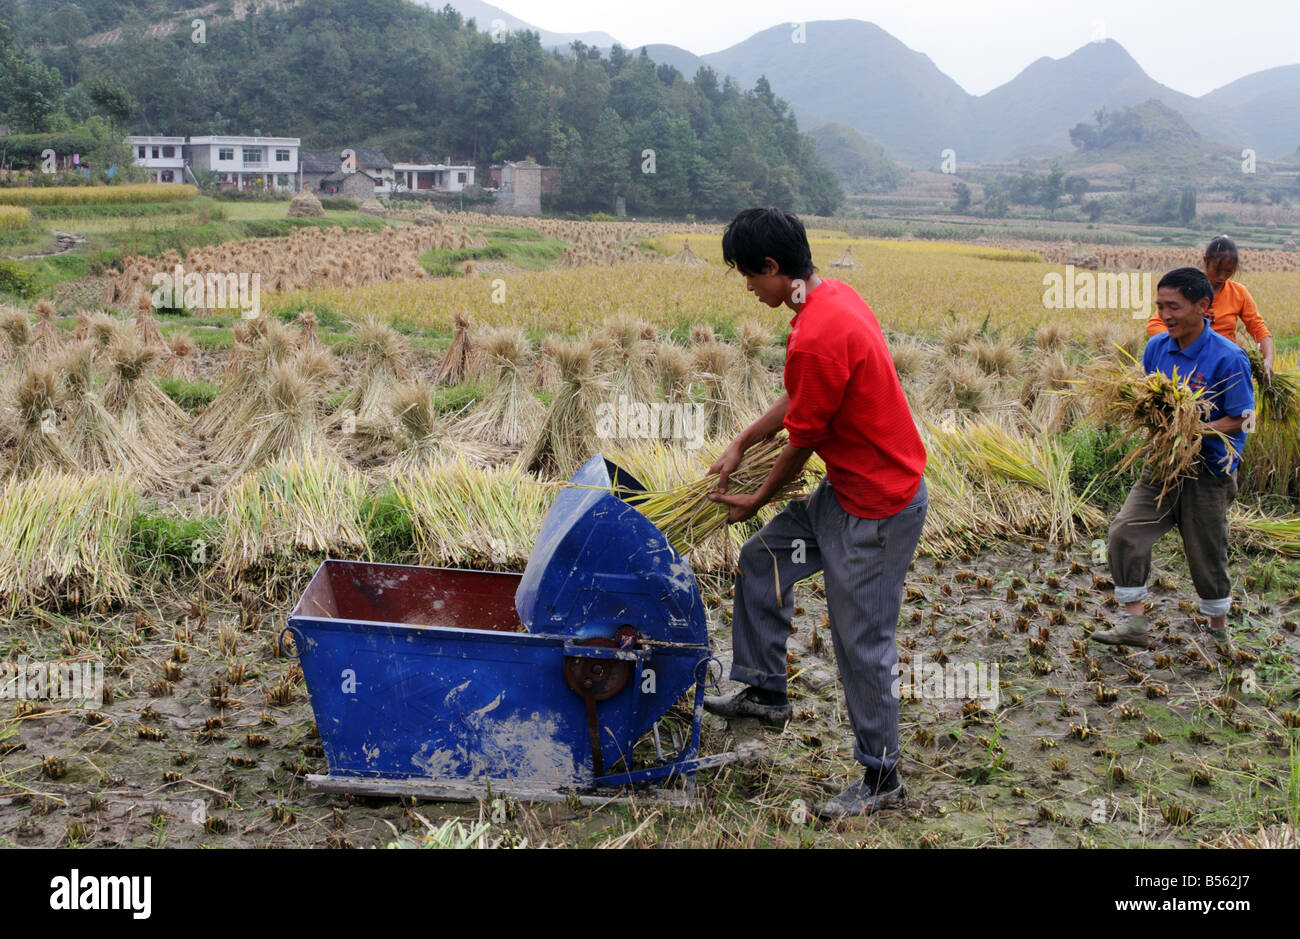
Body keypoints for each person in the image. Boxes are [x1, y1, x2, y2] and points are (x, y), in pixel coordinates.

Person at [702, 207, 929, 819]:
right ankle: (764, 688)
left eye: (748, 275)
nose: (747, 287)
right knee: (764, 556)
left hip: (877, 512)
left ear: (774, 268)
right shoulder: (830, 300)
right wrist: (743, 440)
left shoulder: (817, 333)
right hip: (848, 494)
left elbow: (799, 448)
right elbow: (807, 395)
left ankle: (882, 779)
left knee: (861, 645)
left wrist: (756, 497)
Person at [1095, 267, 1254, 648]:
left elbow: (1247, 421)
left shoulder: (1229, 359)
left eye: (1174, 306)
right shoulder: (1157, 347)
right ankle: (1134, 625)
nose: (1164, 315)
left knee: (1206, 552)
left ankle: (1218, 633)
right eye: (1160, 306)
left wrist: (1194, 428)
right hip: (1163, 463)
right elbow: (1153, 398)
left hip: (1209, 469)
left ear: (1202, 306)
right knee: (1125, 532)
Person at [1145, 236, 1274, 378]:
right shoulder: (1189, 289)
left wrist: (1268, 359)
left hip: (1224, 364)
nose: (1222, 277)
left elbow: (1258, 328)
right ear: (1206, 261)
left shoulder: (1239, 293)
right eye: (1217, 270)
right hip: (1186, 361)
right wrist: (1185, 345)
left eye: (1228, 271)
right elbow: (1155, 325)